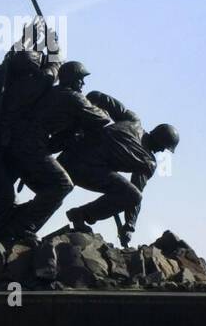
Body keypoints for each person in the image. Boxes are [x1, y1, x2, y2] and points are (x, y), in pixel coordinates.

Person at [1, 59, 110, 243]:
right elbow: (102, 119)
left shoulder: (52, 93)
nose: (83, 84)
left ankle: (14, 223)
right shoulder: (72, 97)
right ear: (73, 79)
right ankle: (22, 227)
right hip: (31, 146)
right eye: (81, 79)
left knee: (49, 192)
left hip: (21, 145)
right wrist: (101, 109)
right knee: (62, 186)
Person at [60, 92, 179, 244]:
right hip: (83, 169)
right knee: (132, 195)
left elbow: (96, 96)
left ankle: (80, 215)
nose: (162, 151)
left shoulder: (133, 120)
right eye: (164, 147)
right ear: (161, 143)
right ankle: (81, 215)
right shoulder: (148, 162)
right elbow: (134, 196)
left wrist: (82, 124)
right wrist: (130, 226)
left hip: (69, 157)